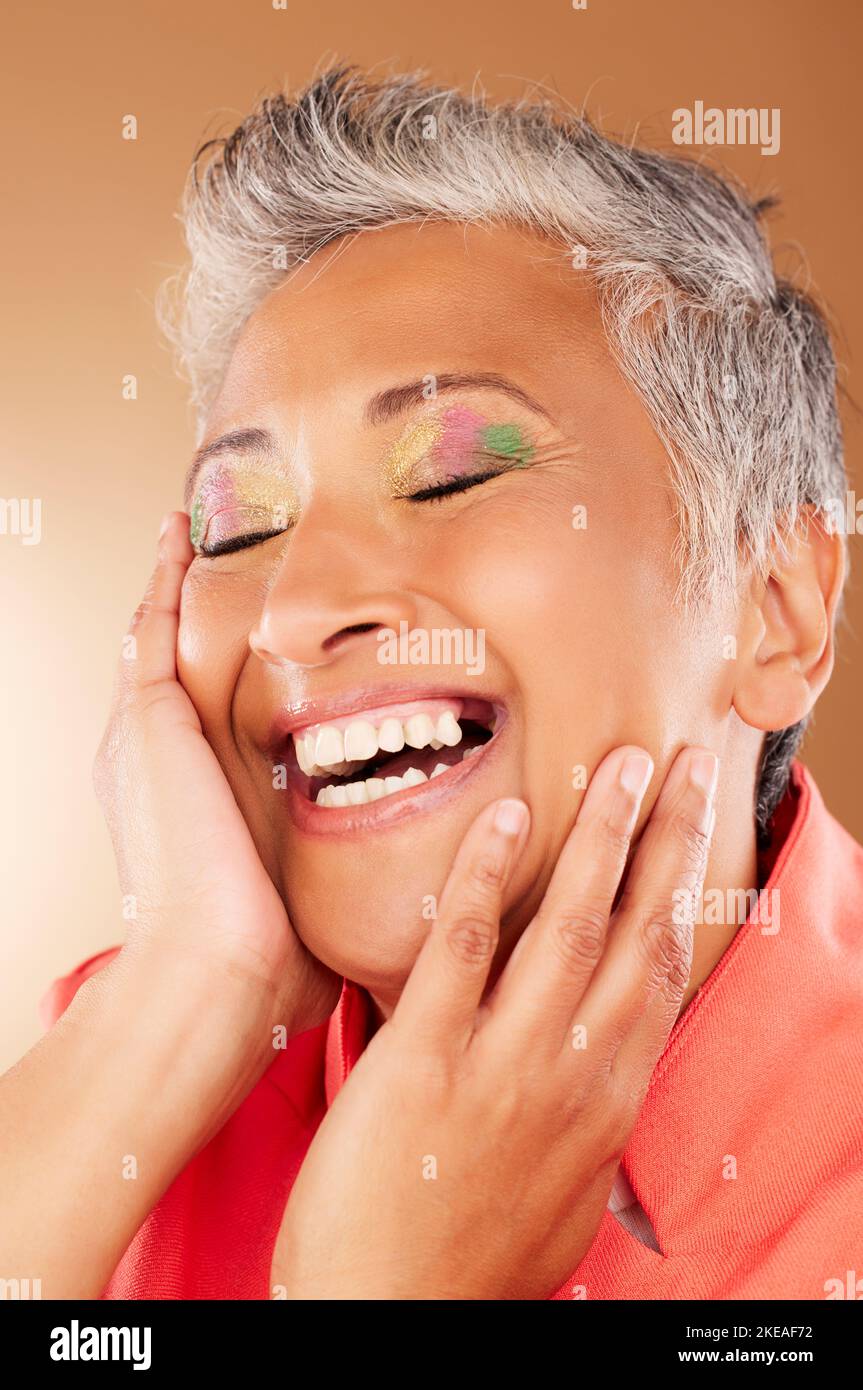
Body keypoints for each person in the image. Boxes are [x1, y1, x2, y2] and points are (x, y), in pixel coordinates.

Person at [3, 66, 861, 1300]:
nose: (294, 611)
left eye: (449, 475)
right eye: (238, 528)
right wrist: (184, 991)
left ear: (776, 608)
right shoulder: (135, 1073)